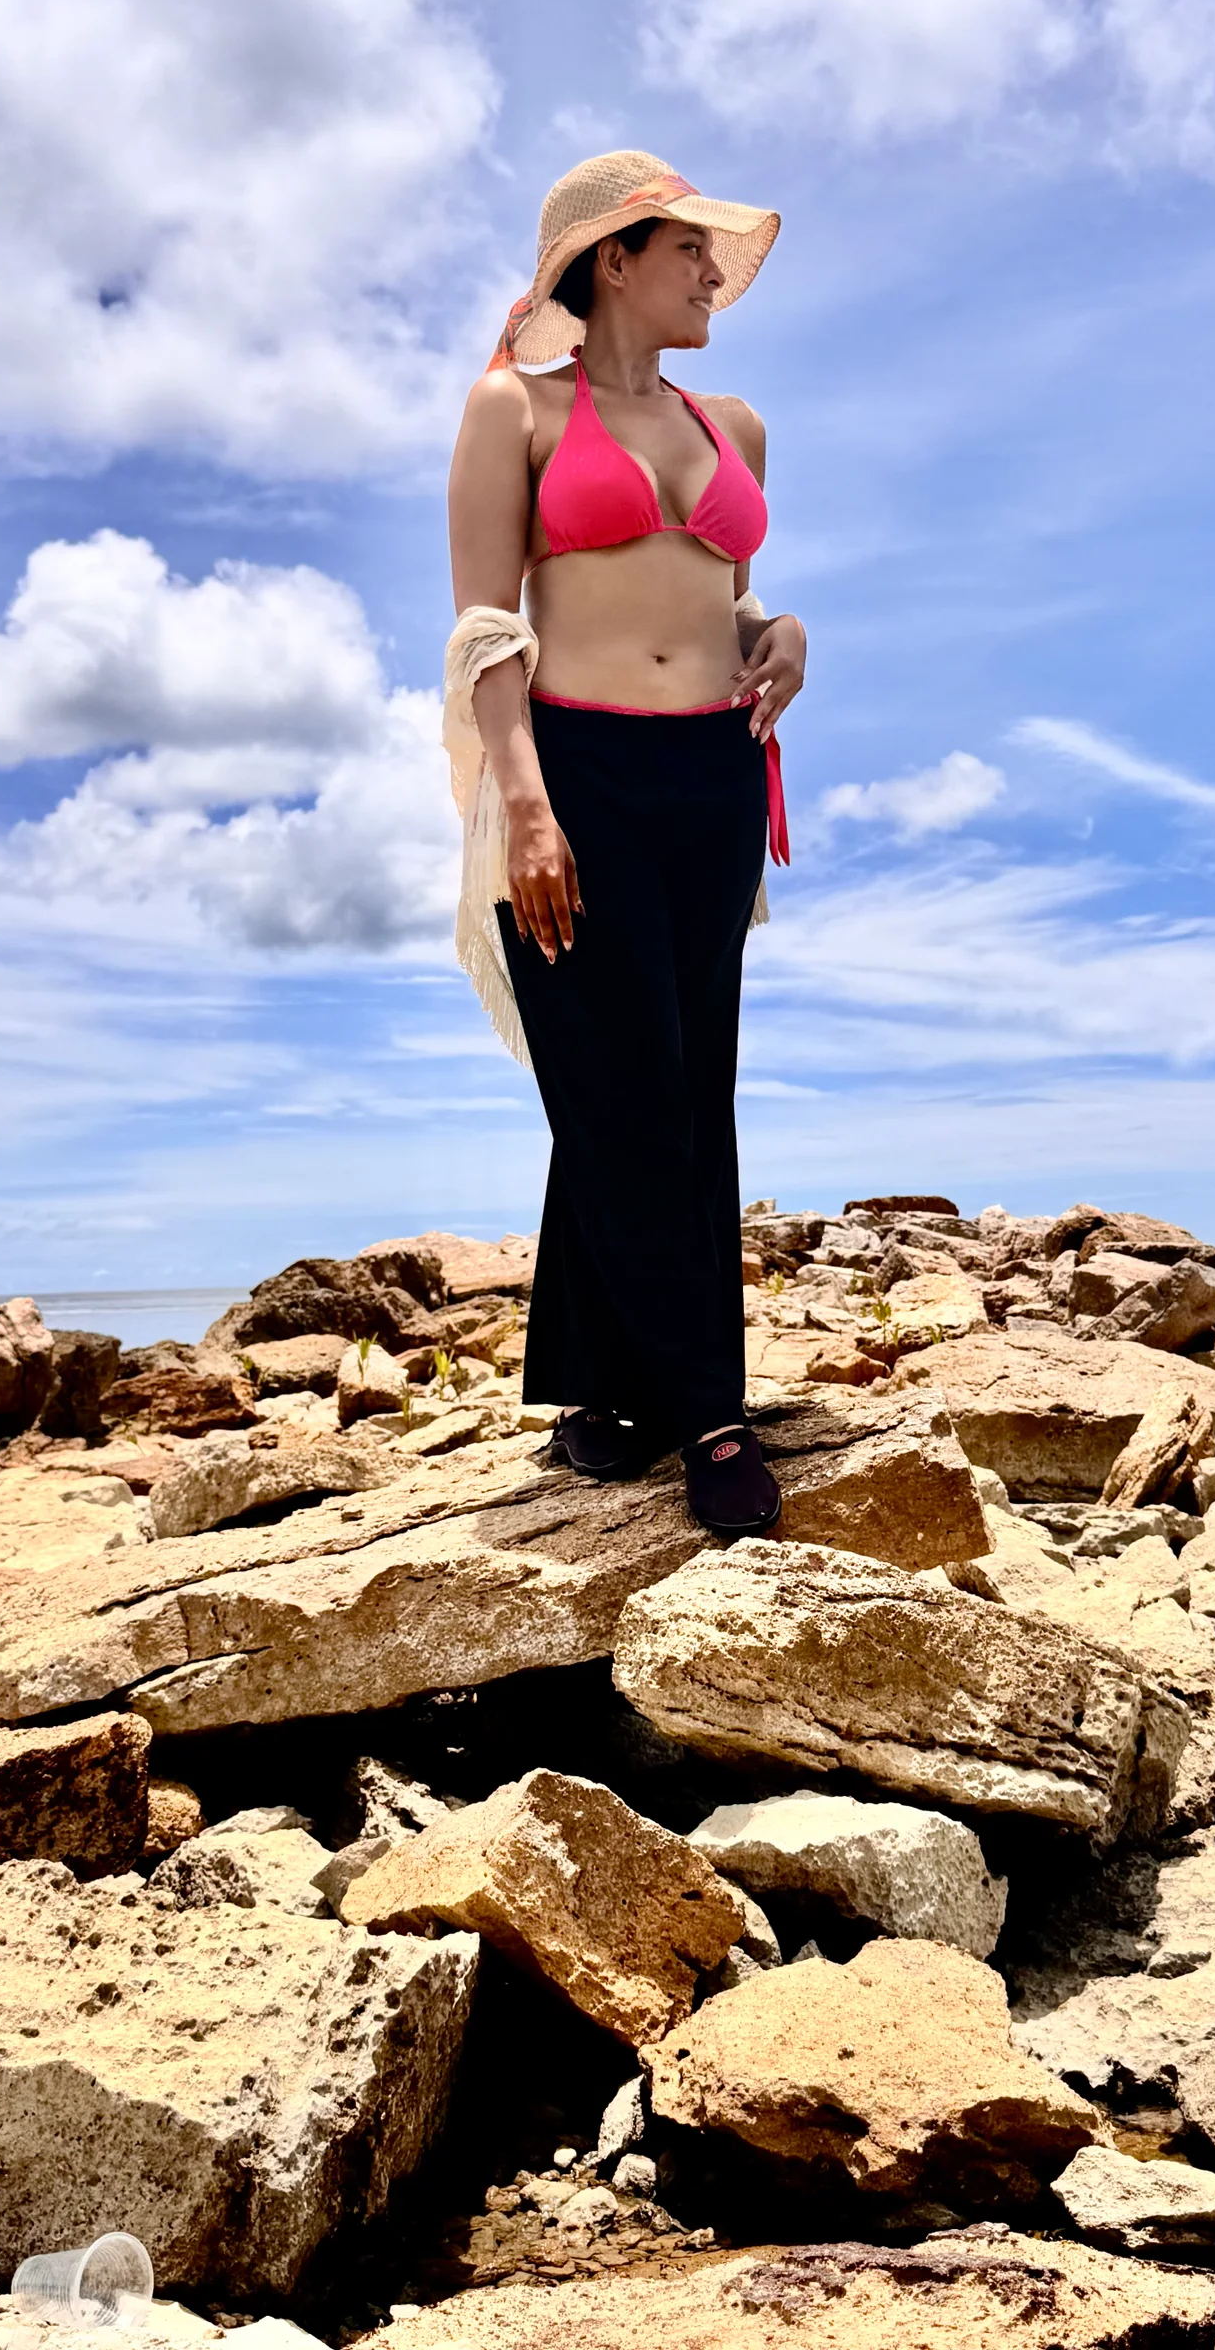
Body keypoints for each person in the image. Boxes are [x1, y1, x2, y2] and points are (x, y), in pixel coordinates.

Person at [442, 150, 806, 1533]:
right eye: (688, 249)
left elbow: (728, 601)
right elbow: (488, 629)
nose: (713, 273)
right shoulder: (514, 410)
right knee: (617, 1084)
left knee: (686, 1078)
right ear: (614, 260)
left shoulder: (736, 428)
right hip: (576, 771)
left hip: (713, 776)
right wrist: (528, 805)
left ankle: (599, 1390)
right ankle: (711, 1417)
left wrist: (786, 636)